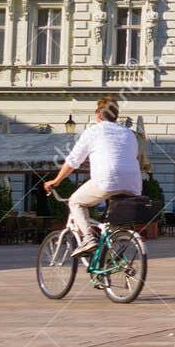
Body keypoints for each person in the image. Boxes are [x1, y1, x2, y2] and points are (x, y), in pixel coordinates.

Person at [43, 96, 143, 258]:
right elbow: (127, 156)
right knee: (110, 226)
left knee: (75, 201)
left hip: (107, 179)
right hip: (133, 183)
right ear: (116, 115)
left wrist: (56, 180)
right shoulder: (129, 134)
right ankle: (110, 259)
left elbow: (73, 161)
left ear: (98, 114)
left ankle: (88, 238)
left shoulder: (93, 131)